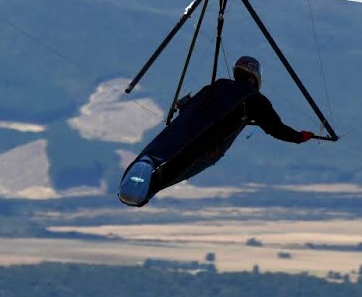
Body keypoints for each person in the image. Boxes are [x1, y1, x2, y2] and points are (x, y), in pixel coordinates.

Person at [118, 55, 316, 207]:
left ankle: (138, 180)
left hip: (178, 132)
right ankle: (142, 191)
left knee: (156, 156)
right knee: (172, 171)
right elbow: (276, 129)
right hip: (206, 148)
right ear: (255, 77)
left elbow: (190, 105)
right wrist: (300, 137)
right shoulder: (255, 99)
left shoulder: (219, 85)